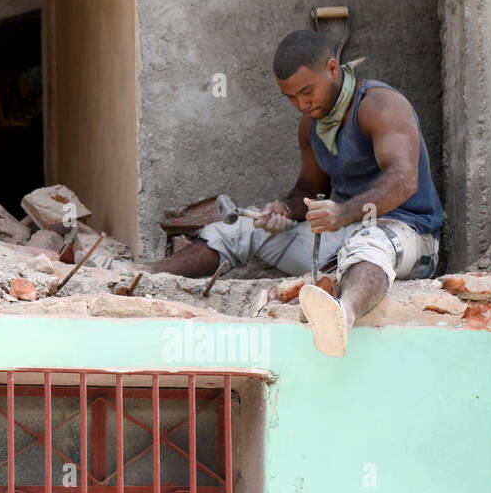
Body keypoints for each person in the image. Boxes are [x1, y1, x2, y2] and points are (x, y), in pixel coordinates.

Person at [133, 30, 443, 357]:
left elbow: (403, 179)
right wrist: (282, 209)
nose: (302, 104)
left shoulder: (379, 105)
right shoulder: (312, 124)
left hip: (410, 235)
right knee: (241, 227)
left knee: (369, 242)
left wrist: (342, 213)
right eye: (291, 97)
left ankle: (341, 316)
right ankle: (148, 274)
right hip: (344, 237)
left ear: (333, 69)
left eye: (307, 91)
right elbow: (309, 190)